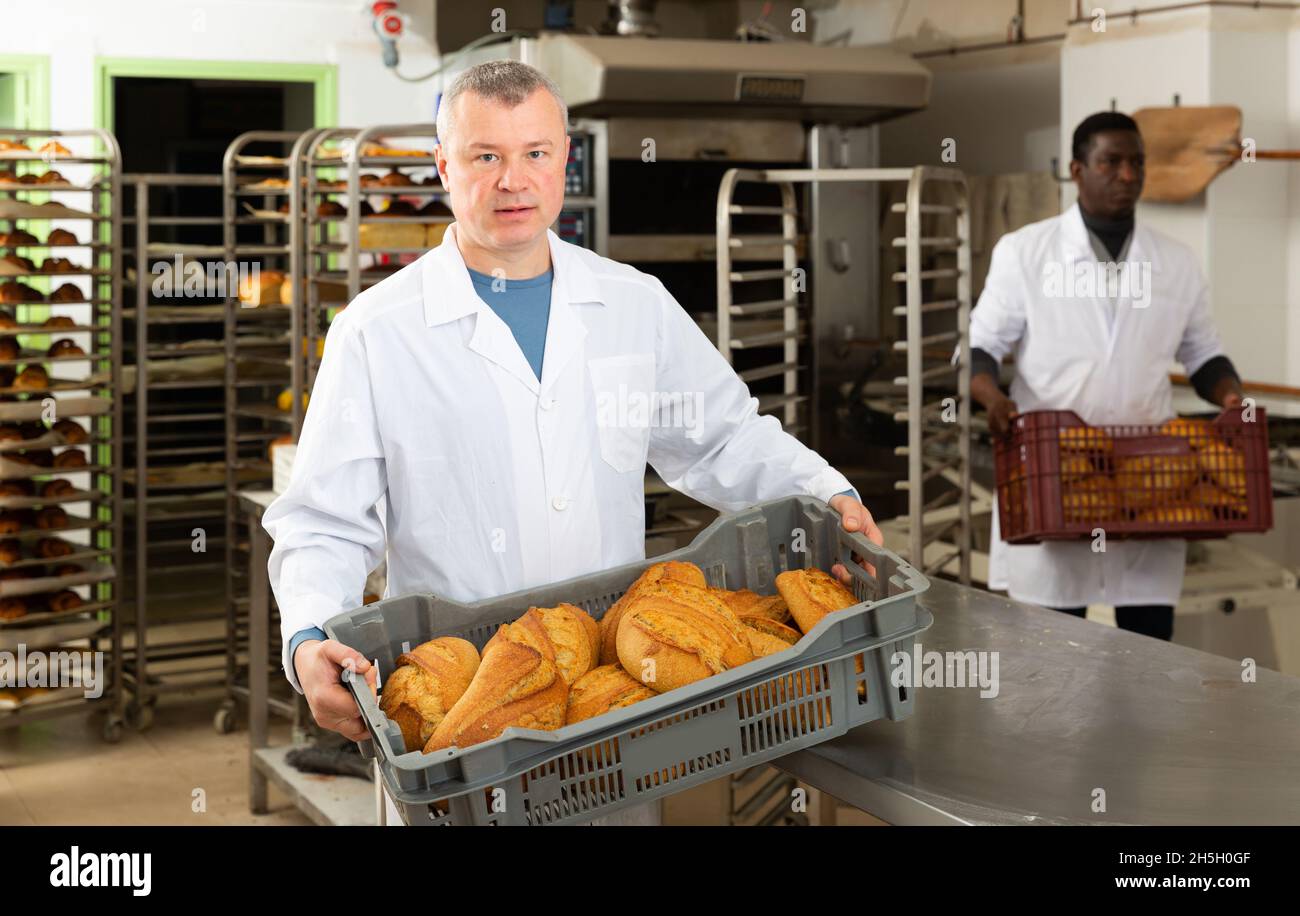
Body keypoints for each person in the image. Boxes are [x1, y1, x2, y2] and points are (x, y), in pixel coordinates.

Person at [262, 60, 881, 822]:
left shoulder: (631, 303)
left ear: (563, 160)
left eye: (535, 153)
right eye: (485, 155)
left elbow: (724, 438)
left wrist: (828, 492)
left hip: (608, 715)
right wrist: (308, 639)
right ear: (443, 167)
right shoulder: (378, 331)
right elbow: (324, 520)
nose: (512, 180)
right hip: (460, 729)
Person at [968, 111, 1244, 640]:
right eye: (1110, 161)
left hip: (1150, 483)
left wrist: (1231, 396)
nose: (1126, 174)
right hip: (1056, 473)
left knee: (1148, 652)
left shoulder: (1175, 261)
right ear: (1077, 169)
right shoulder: (1026, 253)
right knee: (1050, 654)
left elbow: (1205, 355)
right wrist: (991, 399)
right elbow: (983, 346)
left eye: (1136, 162)